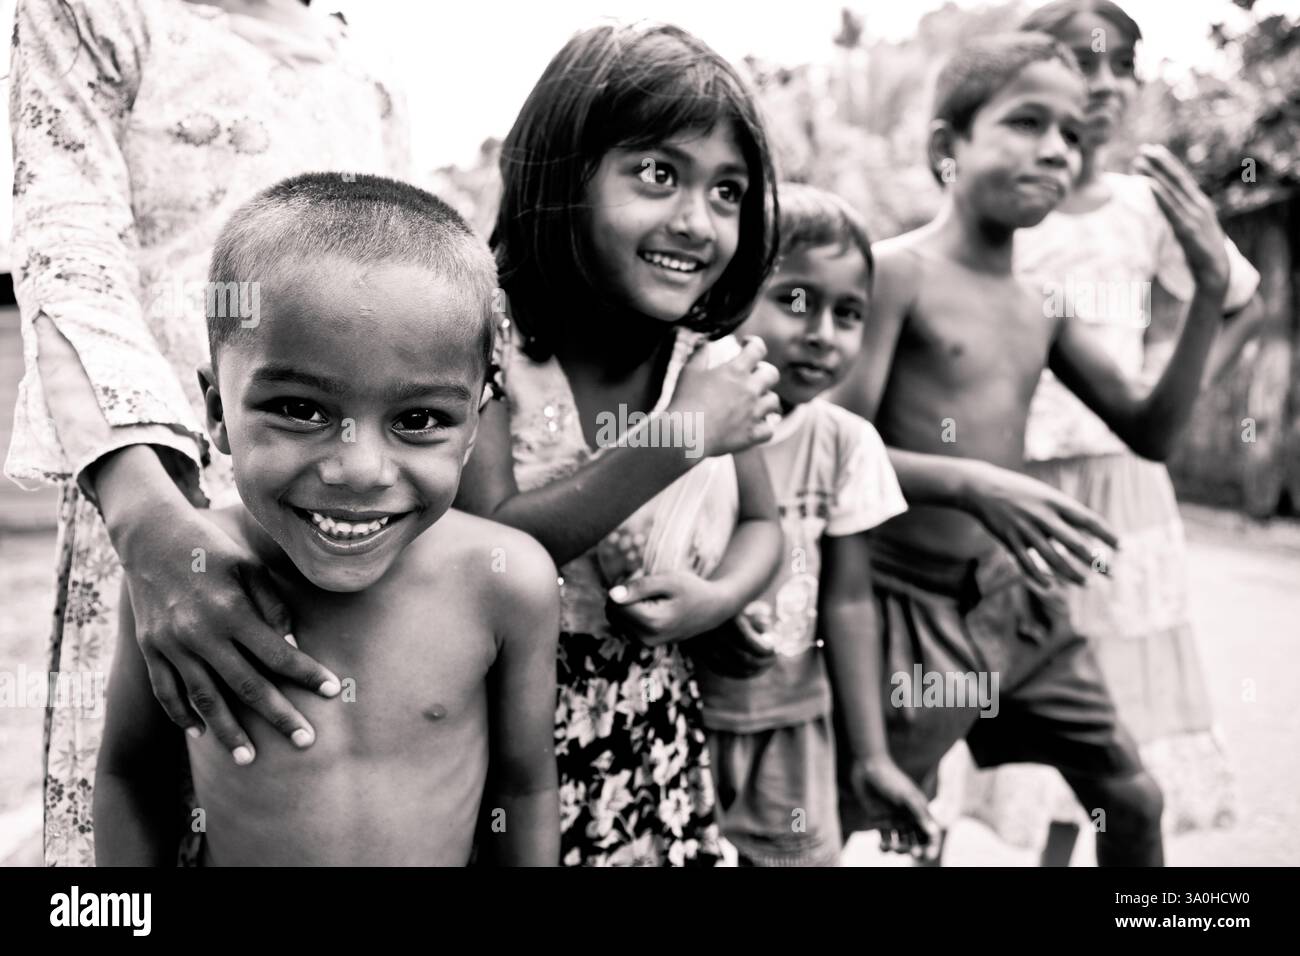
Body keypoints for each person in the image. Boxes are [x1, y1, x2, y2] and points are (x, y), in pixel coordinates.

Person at [6, 0, 409, 865]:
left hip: (347, 529)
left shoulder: (363, 73)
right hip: (155, 506)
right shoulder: (93, 15)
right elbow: (66, 255)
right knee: (141, 809)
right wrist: (152, 532)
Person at [831, 30, 1233, 866]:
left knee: (1130, 795)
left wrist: (1207, 291)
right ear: (949, 146)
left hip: (1015, 607)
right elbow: (834, 455)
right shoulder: (894, 273)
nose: (1055, 149)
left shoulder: (1040, 303)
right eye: (1025, 123)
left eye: (1072, 136)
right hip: (907, 605)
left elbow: (1151, 431)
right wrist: (976, 482)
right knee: (894, 822)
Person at [95, 174, 561, 866]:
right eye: (302, 410)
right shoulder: (180, 578)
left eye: (419, 420)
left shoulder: (507, 583)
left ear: (471, 431)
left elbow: (523, 790)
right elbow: (132, 778)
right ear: (218, 412)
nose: (360, 469)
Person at [455, 22, 785, 866]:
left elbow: (764, 527)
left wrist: (718, 601)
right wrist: (678, 436)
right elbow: (487, 543)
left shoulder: (703, 362)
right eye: (658, 174)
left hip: (651, 732)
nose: (698, 222)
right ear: (562, 170)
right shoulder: (484, 336)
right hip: (503, 741)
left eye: (727, 192)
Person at [957, 0, 1260, 865]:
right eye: (1076, 62)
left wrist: (1178, 377)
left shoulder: (1146, 204)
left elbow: (1238, 296)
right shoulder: (1007, 202)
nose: (1097, 84)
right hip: (1017, 484)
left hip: (1121, 481)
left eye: (1115, 65)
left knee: (1113, 700)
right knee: (1031, 682)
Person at [695, 184, 924, 867]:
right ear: (732, 294)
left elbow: (849, 602)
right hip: (681, 712)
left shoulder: (848, 444)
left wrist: (873, 756)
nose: (823, 333)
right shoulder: (686, 419)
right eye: (796, 300)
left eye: (849, 313)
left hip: (792, 721)